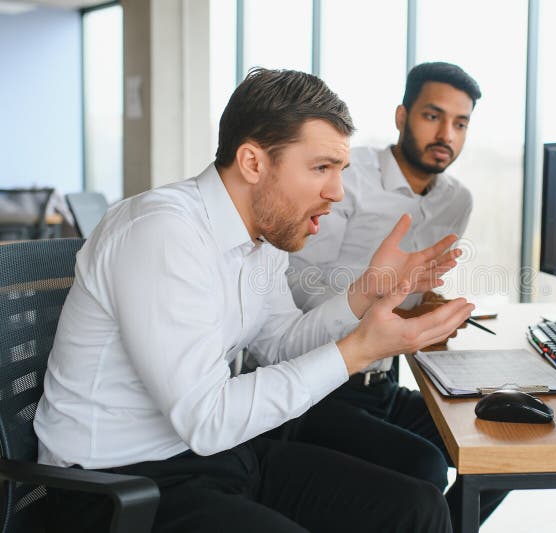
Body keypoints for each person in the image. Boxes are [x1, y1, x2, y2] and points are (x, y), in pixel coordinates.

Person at [33, 67, 475, 533]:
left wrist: (368, 291)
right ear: (252, 163)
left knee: (418, 508)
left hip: (215, 455)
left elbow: (280, 344)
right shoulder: (163, 232)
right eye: (321, 168)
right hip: (118, 483)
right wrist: (359, 351)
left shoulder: (261, 238)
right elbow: (205, 418)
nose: (336, 192)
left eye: (340, 171)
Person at [287, 62, 505, 529]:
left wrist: (430, 307)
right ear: (402, 116)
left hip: (382, 382)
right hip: (321, 384)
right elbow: (301, 289)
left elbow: (417, 286)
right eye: (432, 116)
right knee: (424, 465)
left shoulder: (456, 200)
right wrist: (387, 301)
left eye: (460, 123)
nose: (446, 134)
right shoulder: (350, 178)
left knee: (507, 443)